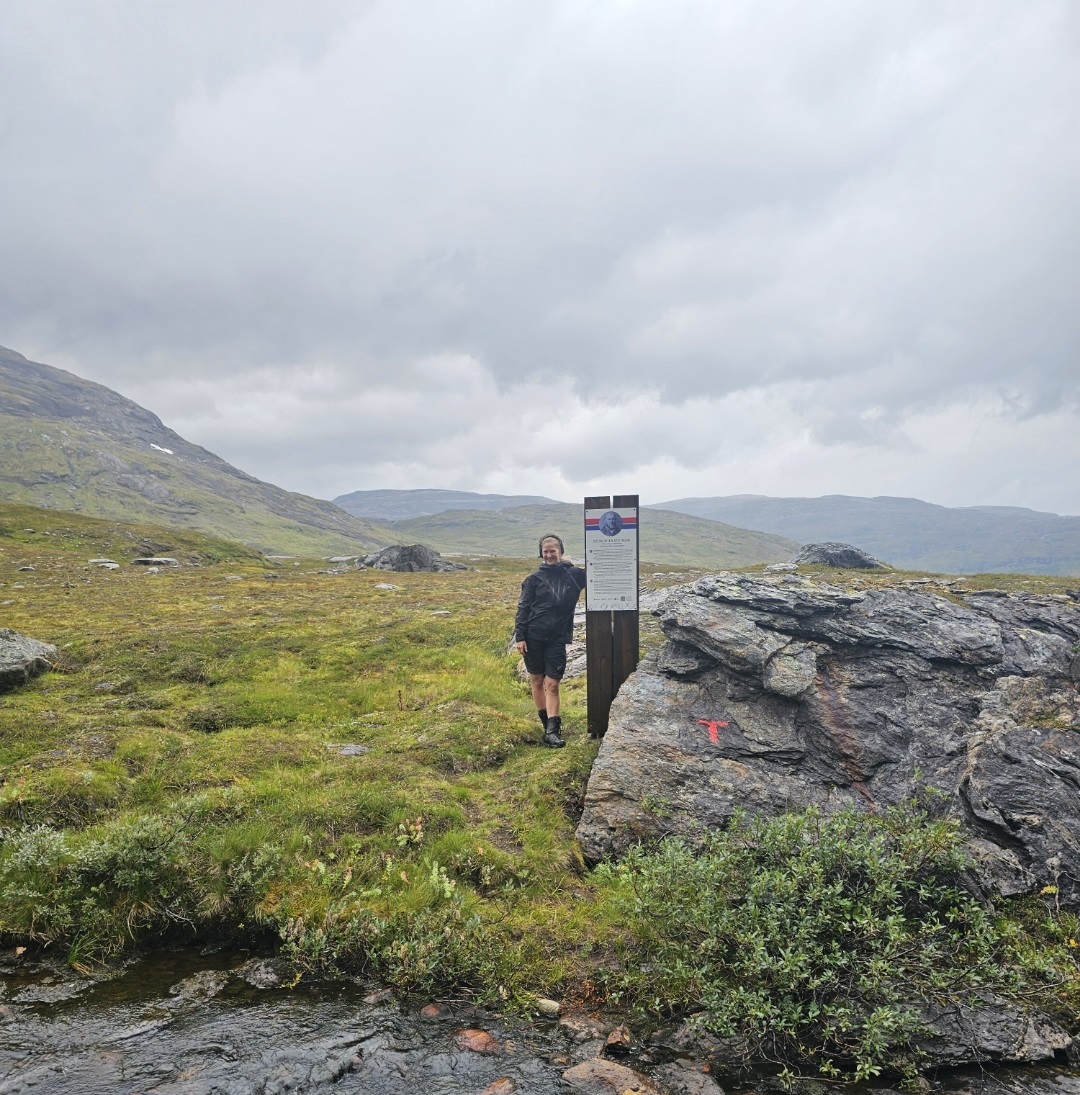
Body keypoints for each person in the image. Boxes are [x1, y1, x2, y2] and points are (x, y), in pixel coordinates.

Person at [514, 534, 586, 747]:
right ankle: (548, 728)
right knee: (537, 680)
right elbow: (523, 609)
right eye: (545, 551)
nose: (549, 554)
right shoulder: (533, 579)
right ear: (541, 553)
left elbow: (596, 576)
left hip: (557, 638)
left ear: (560, 552)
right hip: (533, 636)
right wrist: (520, 636)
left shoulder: (573, 575)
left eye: (553, 550)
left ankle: (553, 729)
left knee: (552, 683)